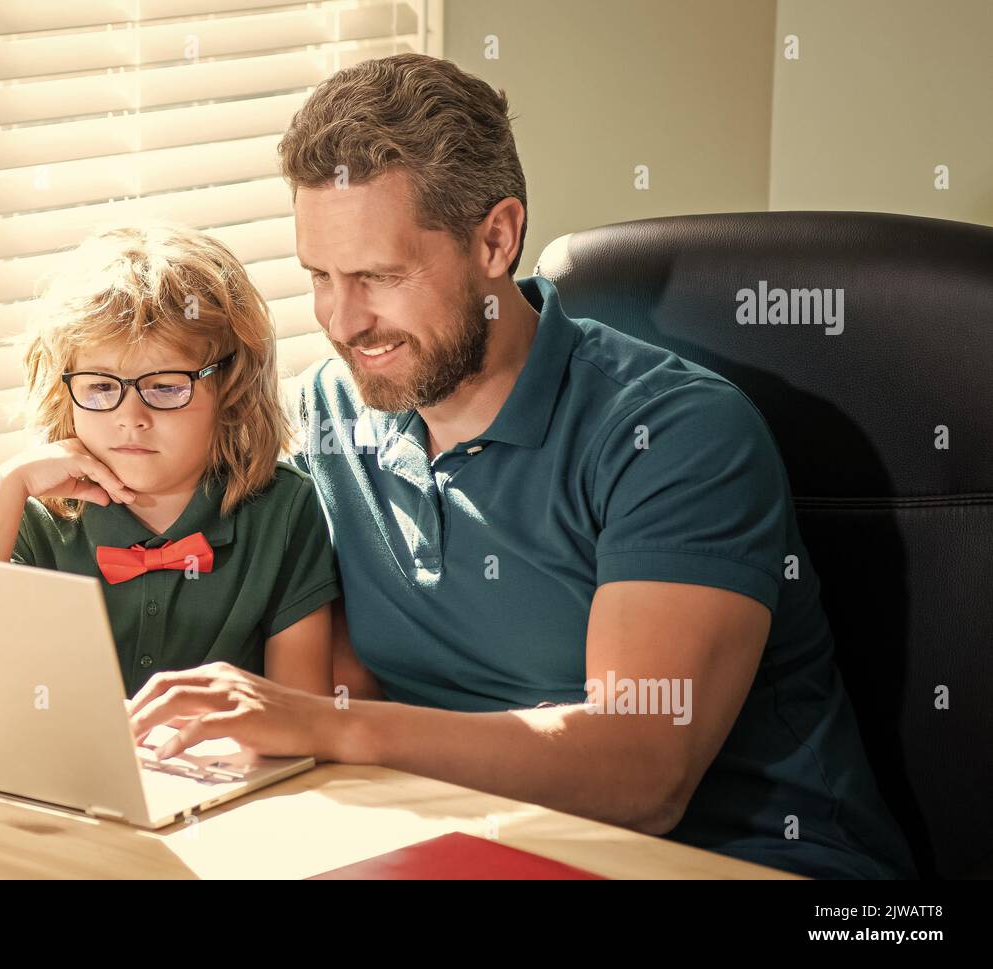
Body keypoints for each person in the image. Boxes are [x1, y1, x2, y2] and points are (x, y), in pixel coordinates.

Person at [126, 54, 918, 879]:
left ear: (496, 239)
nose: (342, 319)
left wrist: (332, 725)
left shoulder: (676, 435)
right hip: (473, 846)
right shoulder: (330, 413)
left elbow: (643, 772)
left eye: (378, 276)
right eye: (319, 277)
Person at [0, 223, 339, 698]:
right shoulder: (33, 514)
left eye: (166, 387)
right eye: (100, 386)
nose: (130, 417)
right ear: (64, 390)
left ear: (232, 392)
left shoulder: (285, 512)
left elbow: (301, 713)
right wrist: (7, 483)